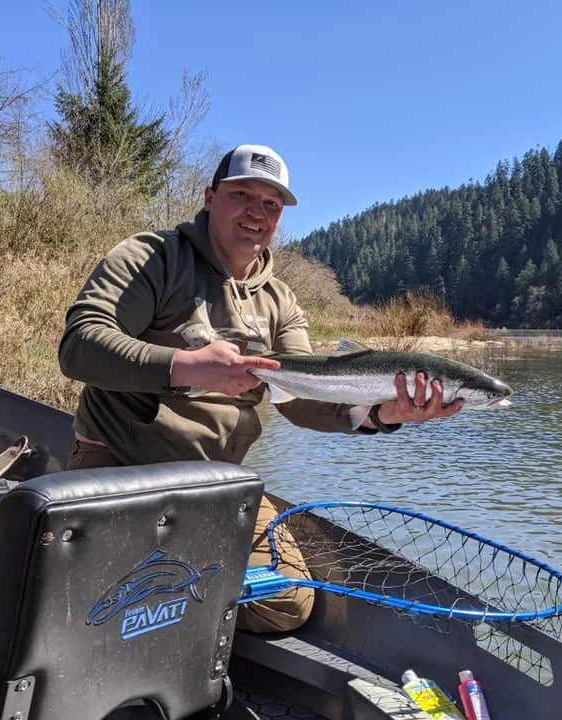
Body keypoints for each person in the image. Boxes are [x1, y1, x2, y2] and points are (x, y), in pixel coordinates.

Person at [57, 143, 463, 633]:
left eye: (272, 204)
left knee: (287, 605)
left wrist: (382, 414)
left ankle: (174, 596)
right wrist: (186, 366)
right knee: (91, 606)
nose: (257, 212)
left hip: (217, 483)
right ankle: (160, 601)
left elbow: (304, 398)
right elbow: (80, 345)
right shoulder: (154, 257)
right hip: (121, 464)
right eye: (242, 195)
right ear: (209, 197)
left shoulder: (281, 302)